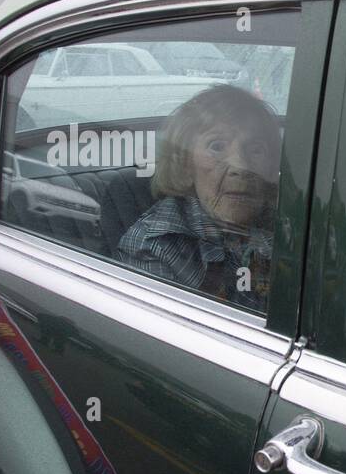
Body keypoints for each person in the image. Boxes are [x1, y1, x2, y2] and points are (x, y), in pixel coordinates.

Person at [118, 85, 280, 311]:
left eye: (255, 149)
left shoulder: (292, 224)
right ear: (185, 165)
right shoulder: (155, 245)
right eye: (217, 146)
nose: (241, 167)